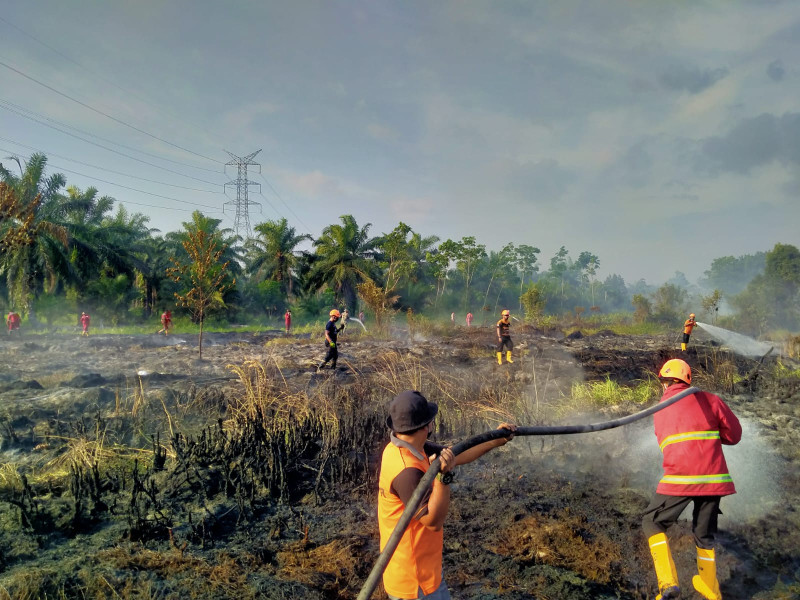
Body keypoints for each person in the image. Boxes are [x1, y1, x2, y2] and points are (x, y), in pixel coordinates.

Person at [378, 390, 516, 600]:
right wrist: (443, 478)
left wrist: (496, 440)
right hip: (414, 582)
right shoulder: (407, 471)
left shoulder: (408, 446)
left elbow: (456, 453)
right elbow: (433, 521)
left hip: (422, 570)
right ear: (426, 426)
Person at [642, 358, 741, 600]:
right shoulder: (711, 400)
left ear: (664, 384)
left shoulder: (659, 410)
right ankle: (711, 588)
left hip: (680, 479)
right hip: (714, 479)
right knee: (704, 534)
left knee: (651, 522)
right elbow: (734, 435)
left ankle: (668, 584)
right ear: (688, 380)